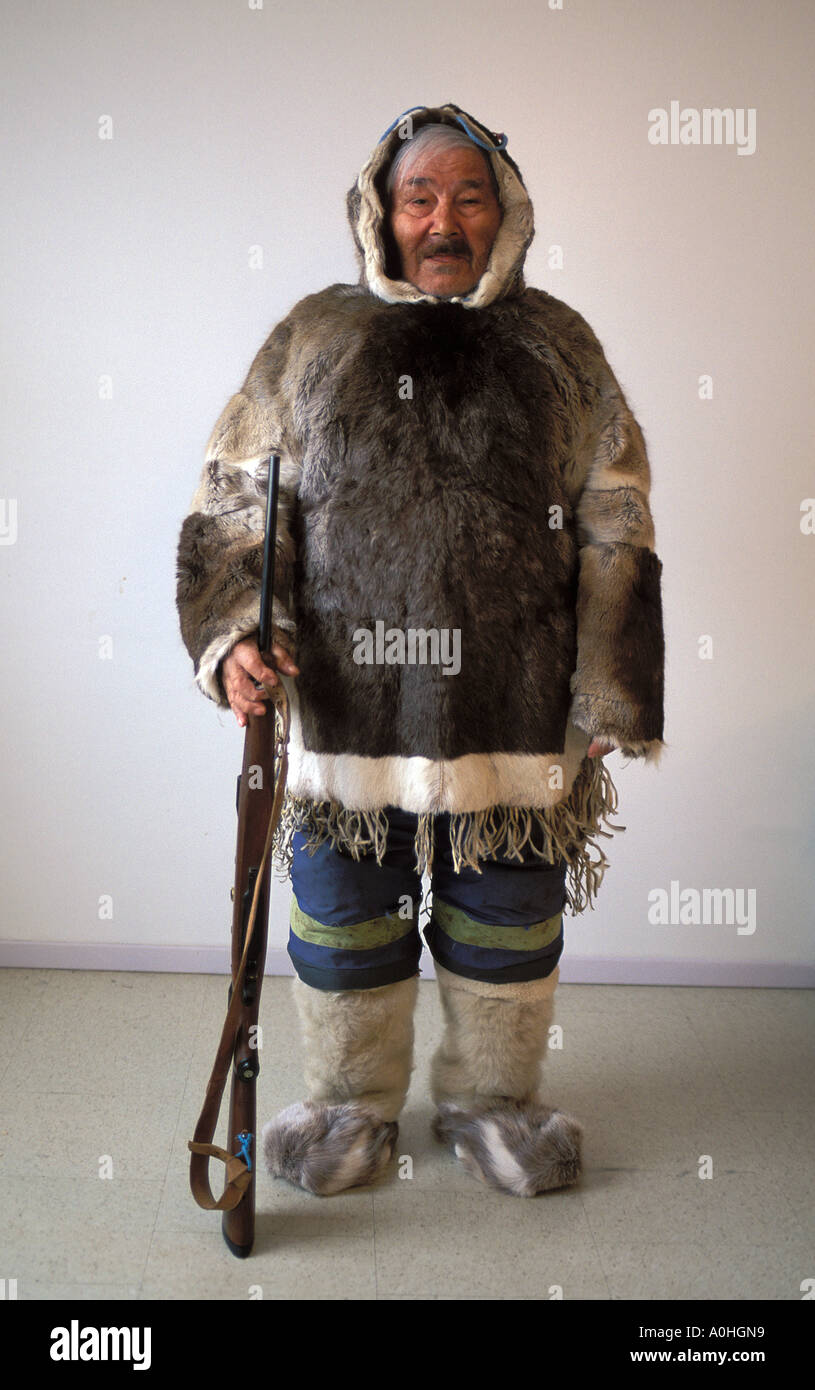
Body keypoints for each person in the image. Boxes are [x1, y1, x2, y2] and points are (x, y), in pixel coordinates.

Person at [176, 102, 665, 1199]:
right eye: (418, 196)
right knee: (343, 913)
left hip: (516, 706)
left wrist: (608, 692)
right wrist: (234, 633)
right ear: (381, 211)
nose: (443, 218)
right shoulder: (311, 338)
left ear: (505, 212)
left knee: (507, 919)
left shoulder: (561, 346)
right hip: (348, 706)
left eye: (467, 194)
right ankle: (348, 1107)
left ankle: (493, 1107)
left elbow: (614, 518)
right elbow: (235, 498)